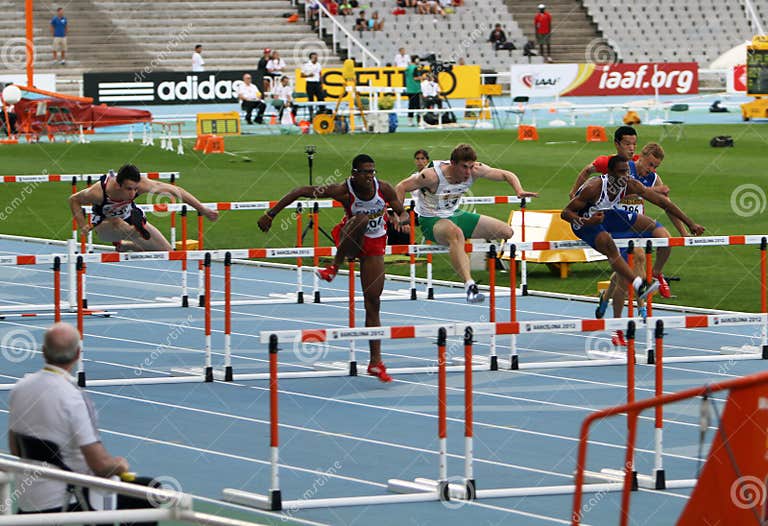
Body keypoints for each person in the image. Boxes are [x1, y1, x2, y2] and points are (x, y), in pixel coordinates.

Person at [258, 154, 410, 383]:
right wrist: (271, 214)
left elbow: (402, 210)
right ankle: (334, 267)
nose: (370, 176)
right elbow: (300, 190)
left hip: (375, 244)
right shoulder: (343, 190)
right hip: (350, 240)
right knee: (359, 219)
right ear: (354, 174)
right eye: (365, 172)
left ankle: (375, 362)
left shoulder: (384, 189)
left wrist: (400, 218)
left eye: (373, 172)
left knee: (373, 302)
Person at [8, 322, 156, 520]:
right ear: (78, 354)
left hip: (28, 498)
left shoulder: (20, 388)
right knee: (148, 492)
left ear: (43, 351)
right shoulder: (73, 397)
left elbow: (15, 449)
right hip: (69, 496)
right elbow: (100, 466)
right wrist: (119, 465)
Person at [396, 144, 539, 303]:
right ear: (452, 163)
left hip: (456, 215)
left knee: (507, 232)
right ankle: (469, 286)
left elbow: (507, 174)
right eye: (464, 167)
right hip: (432, 220)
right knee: (456, 234)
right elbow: (401, 187)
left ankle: (466, 251)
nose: (468, 172)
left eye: (471, 167)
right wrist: (400, 214)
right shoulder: (431, 176)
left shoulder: (476, 170)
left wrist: (519, 191)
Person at [561, 155, 704, 314]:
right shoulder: (593, 188)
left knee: (654, 228)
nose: (624, 176)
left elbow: (662, 202)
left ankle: (656, 273)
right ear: (609, 172)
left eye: (627, 172)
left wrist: (690, 223)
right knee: (609, 244)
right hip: (584, 223)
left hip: (606, 214)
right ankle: (639, 285)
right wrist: (586, 221)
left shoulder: (630, 184)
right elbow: (565, 213)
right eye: (620, 172)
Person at [596, 144, 688, 342]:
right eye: (650, 164)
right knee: (631, 265)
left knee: (665, 241)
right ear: (642, 156)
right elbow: (627, 192)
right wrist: (655, 190)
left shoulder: (654, 177)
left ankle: (655, 274)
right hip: (618, 227)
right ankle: (619, 327)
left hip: (639, 226)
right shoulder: (624, 169)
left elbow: (666, 204)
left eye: (656, 167)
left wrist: (683, 232)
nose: (652, 170)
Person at [69, 164, 218, 252]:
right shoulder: (99, 192)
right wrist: (82, 225)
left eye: (135, 189)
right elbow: (73, 200)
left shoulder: (141, 184)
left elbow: (177, 191)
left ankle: (128, 244)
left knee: (169, 253)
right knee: (118, 223)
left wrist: (203, 210)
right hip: (104, 227)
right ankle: (135, 233)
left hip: (129, 218)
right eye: (128, 189)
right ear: (118, 184)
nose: (133, 193)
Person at [569, 125, 639, 199]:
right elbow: (587, 170)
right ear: (617, 144)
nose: (632, 148)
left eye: (634, 144)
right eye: (627, 144)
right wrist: (574, 192)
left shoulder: (640, 162)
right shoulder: (607, 162)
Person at [301, 52, 325, 118]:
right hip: (310, 83)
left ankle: (322, 113)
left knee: (321, 98)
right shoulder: (306, 65)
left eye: (316, 57)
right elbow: (302, 75)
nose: (316, 58)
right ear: (311, 58)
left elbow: (320, 74)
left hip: (317, 83)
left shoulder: (318, 65)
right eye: (314, 57)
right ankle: (311, 114)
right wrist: (308, 75)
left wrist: (322, 83)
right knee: (310, 99)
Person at [404, 56, 422, 126]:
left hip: (409, 89)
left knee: (411, 105)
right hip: (415, 89)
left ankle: (410, 121)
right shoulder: (414, 68)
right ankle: (420, 121)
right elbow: (415, 78)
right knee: (417, 106)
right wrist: (423, 77)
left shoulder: (407, 68)